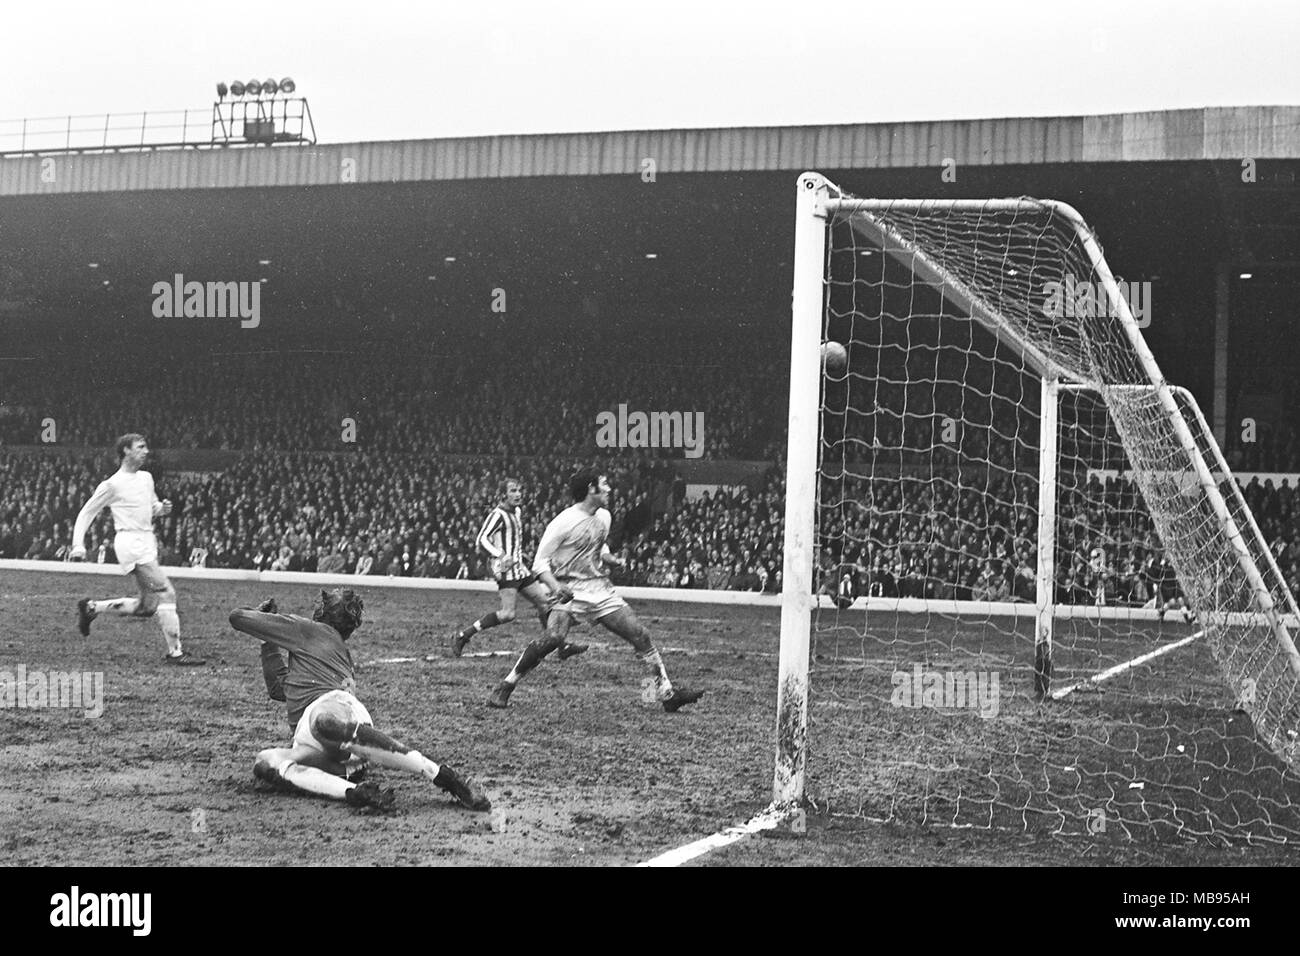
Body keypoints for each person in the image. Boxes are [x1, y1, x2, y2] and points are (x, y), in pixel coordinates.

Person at [231, 589, 490, 813]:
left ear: (324, 613)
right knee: (266, 761)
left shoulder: (307, 630)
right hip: (340, 752)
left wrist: (264, 618)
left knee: (322, 722)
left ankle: (445, 776)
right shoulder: (330, 648)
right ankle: (353, 792)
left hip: (334, 714)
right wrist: (268, 642)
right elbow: (279, 689)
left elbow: (237, 617)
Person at [486, 468, 704, 712]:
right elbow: (540, 563)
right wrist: (556, 587)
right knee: (553, 638)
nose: (609, 488)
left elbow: (597, 544)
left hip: (599, 589)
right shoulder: (563, 522)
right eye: (604, 484)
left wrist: (609, 557)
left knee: (640, 635)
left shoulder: (605, 516)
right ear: (591, 489)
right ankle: (505, 686)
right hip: (569, 589)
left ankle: (664, 694)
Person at [71, 433, 205, 665]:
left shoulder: (146, 478)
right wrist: (78, 545)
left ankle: (92, 607)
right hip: (130, 543)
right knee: (167, 592)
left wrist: (161, 508)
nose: (146, 451)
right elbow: (87, 512)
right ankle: (175, 653)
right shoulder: (112, 484)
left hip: (146, 541)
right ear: (125, 451)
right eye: (140, 447)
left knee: (147, 606)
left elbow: (150, 507)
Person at [443, 477, 585, 661]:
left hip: (520, 570)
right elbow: (482, 539)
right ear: (503, 494)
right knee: (508, 614)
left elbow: (513, 540)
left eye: (519, 490)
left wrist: (519, 556)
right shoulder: (497, 515)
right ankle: (463, 636)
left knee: (544, 603)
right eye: (512, 491)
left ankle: (560, 645)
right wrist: (500, 555)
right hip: (507, 571)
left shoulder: (517, 511)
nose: (518, 494)